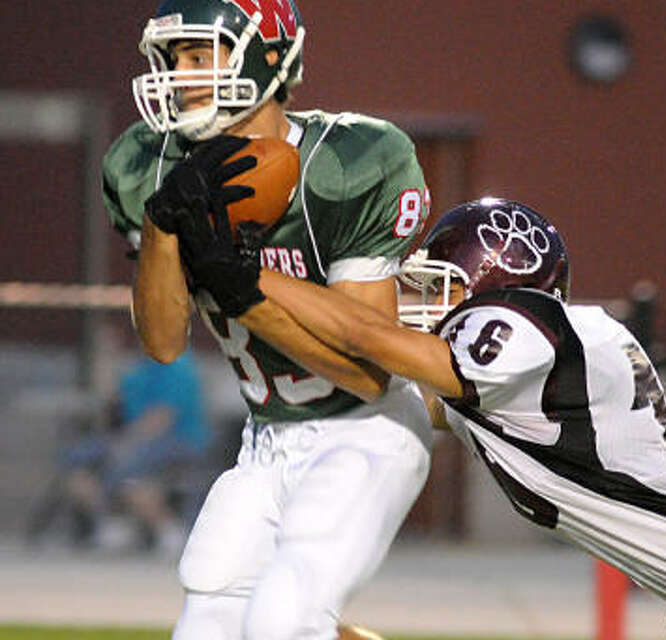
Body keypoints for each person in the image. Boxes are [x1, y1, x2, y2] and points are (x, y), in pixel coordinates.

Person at [177, 195, 666, 639]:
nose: (421, 302)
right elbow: (365, 373)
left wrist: (252, 281)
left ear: (500, 284)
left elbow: (378, 345)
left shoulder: (539, 329)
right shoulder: (507, 377)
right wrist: (243, 295)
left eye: (442, 284)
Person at [101, 2, 433, 639]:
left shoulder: (346, 164)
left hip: (365, 431)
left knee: (285, 614)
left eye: (200, 57)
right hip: (265, 439)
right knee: (205, 628)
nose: (181, 77)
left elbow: (370, 372)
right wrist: (164, 228)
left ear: (269, 57)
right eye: (173, 60)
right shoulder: (150, 165)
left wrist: (247, 293)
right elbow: (165, 342)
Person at [59, 350, 211, 556]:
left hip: (176, 442)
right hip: (131, 437)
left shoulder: (177, 363)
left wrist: (128, 442)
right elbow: (112, 403)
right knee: (78, 460)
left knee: (129, 470)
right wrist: (105, 359)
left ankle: (169, 530)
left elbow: (163, 417)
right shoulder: (141, 364)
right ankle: (112, 525)